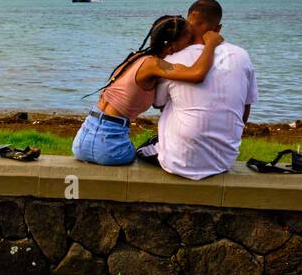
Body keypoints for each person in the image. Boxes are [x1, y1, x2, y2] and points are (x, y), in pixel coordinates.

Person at [72, 14, 223, 166]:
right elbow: (196, 74)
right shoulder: (154, 65)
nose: (192, 45)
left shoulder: (137, 57)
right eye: (189, 41)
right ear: (171, 47)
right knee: (153, 150)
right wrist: (211, 44)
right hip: (110, 146)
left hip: (83, 138)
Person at [142, 0, 258, 180]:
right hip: (224, 160)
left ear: (187, 24)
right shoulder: (242, 56)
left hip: (178, 161)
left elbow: (158, 104)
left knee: (143, 148)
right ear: (218, 29)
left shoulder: (172, 60)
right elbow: (245, 107)